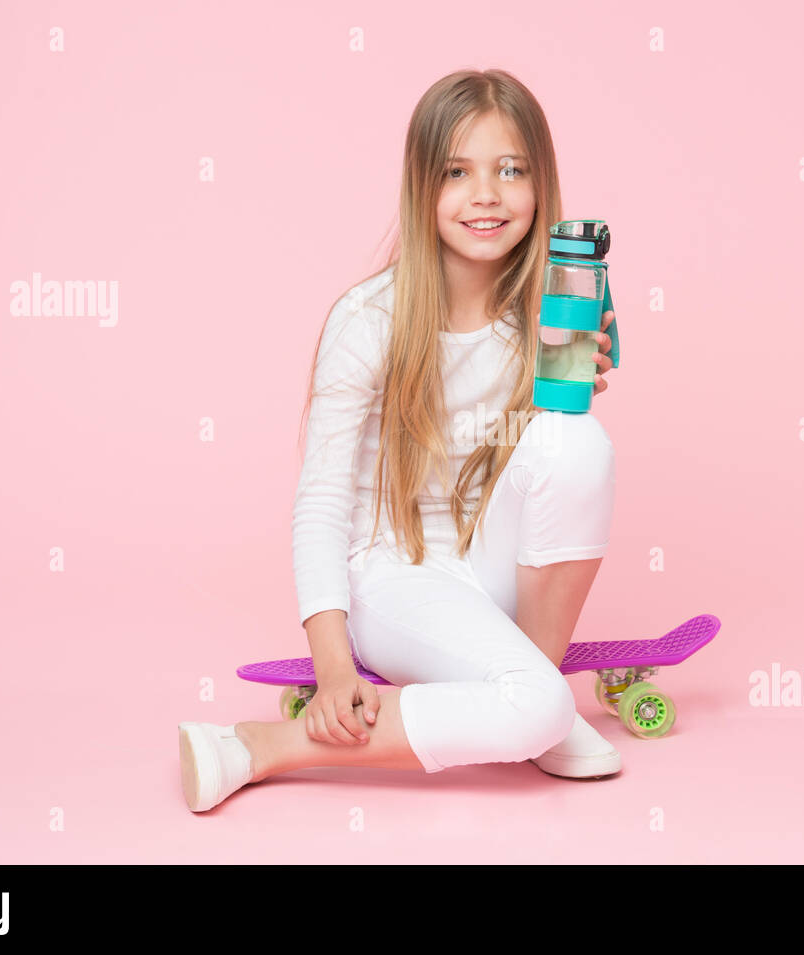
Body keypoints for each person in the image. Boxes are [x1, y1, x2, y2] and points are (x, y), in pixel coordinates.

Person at [179, 69, 618, 812]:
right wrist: (332, 662)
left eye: (510, 170)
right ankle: (257, 745)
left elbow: (550, 477)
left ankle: (531, 699)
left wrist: (571, 394)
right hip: (396, 573)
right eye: (458, 172)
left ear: (541, 184)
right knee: (538, 702)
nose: (487, 194)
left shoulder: (547, 315)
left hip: (490, 564)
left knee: (579, 441)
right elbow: (320, 502)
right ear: (422, 188)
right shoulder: (369, 319)